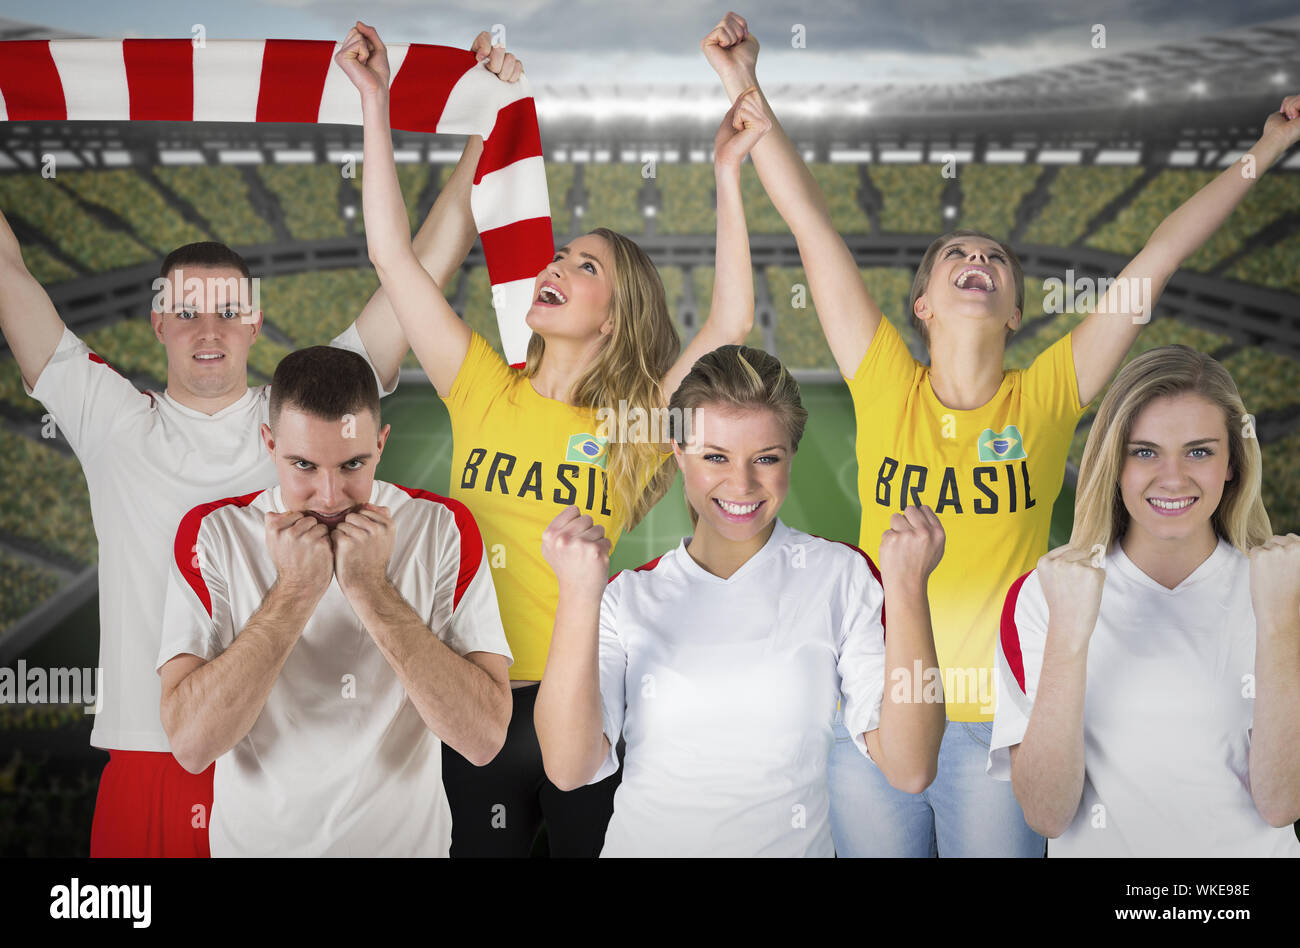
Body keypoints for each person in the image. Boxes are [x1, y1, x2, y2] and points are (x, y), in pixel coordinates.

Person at [701, 9, 1300, 857]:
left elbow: (1156, 263)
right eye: (956, 254)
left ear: (1016, 309)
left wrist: (1266, 151)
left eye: (995, 257)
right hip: (877, 712)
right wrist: (742, 84)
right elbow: (808, 223)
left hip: (1005, 725)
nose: (976, 257)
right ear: (922, 304)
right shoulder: (883, 379)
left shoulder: (1050, 393)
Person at [0, 28, 525, 858]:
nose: (207, 327)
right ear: (157, 319)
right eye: (188, 307)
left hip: (288, 762)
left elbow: (414, 273)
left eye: (227, 307)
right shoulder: (108, 417)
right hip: (155, 752)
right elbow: (10, 276)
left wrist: (480, 132)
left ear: (254, 317)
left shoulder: (308, 411)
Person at [336, 22, 768, 856]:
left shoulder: (635, 428)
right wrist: (375, 106)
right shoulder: (480, 386)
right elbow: (393, 256)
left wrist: (728, 172)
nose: (556, 268)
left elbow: (731, 320)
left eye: (585, 268)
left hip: (585, 707)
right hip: (473, 704)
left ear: (618, 314)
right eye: (560, 255)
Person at [533, 344, 946, 856]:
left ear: (791, 455)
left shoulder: (841, 575)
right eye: (715, 457)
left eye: (766, 458)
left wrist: (909, 591)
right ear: (678, 454)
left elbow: (911, 766)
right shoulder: (626, 596)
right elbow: (569, 769)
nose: (742, 484)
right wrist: (576, 596)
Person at [155, 346, 511, 857]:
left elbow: (483, 740)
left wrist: (370, 589)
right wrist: (295, 592)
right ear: (269, 442)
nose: (329, 496)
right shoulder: (213, 534)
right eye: (303, 464)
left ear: (381, 445)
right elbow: (191, 746)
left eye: (352, 464)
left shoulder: (443, 528)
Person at [990, 345, 1300, 856]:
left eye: (1199, 451)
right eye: (1145, 451)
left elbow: (1282, 802)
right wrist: (1069, 636)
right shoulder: (1041, 596)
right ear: (1114, 462)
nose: (1173, 477)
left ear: (1232, 464)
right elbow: (1046, 814)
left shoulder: (1283, 592)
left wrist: (1279, 626)